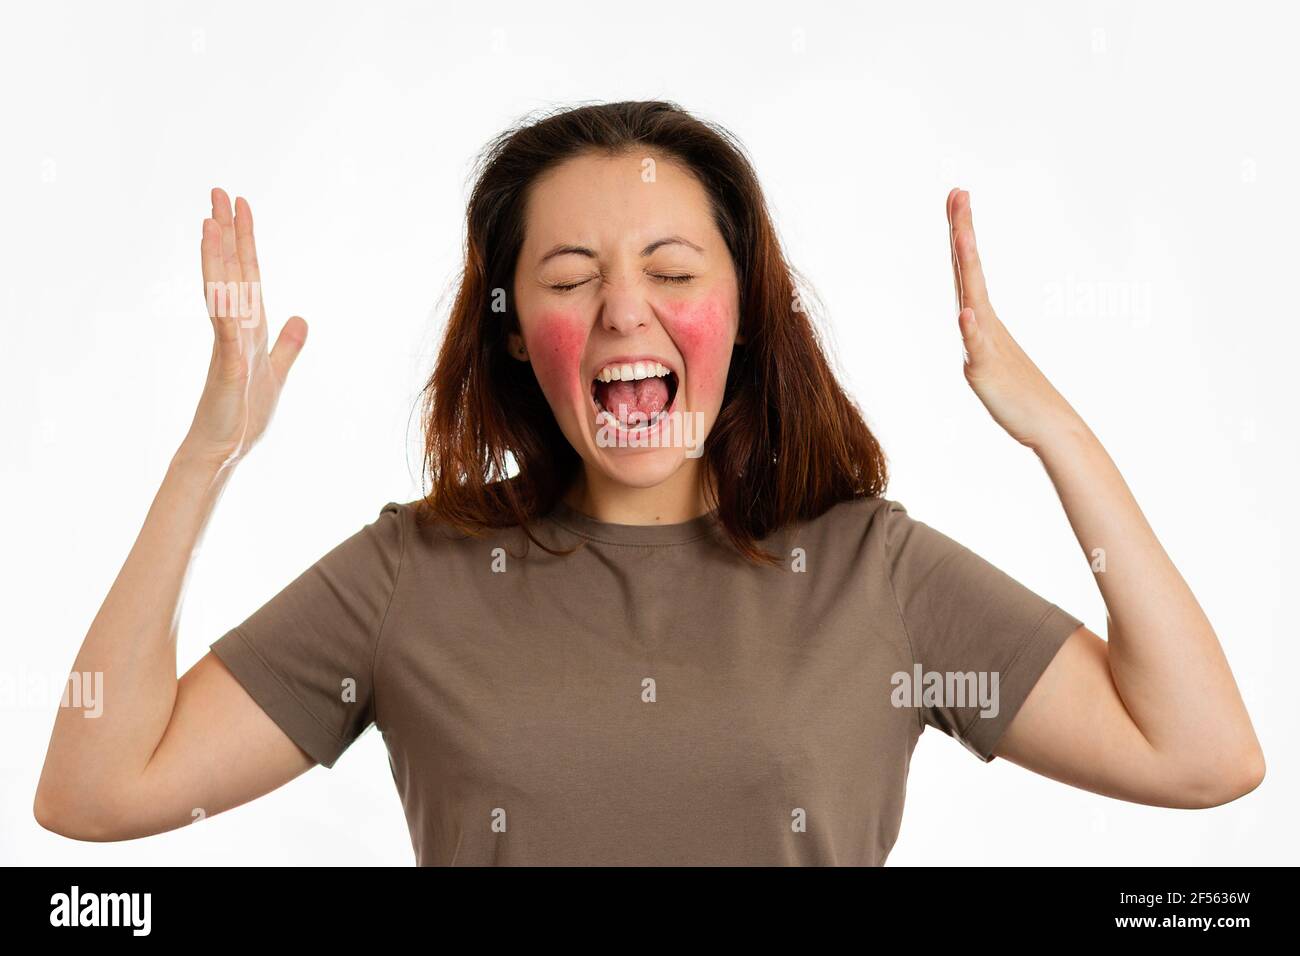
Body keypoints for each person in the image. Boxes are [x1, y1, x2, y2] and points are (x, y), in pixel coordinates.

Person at [33, 100, 1265, 865]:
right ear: (515, 329)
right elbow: (94, 792)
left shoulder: (872, 571)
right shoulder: (412, 572)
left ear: (740, 314)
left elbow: (1202, 753)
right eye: (568, 276)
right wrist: (207, 458)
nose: (625, 306)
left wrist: (1056, 431)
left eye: (673, 268)